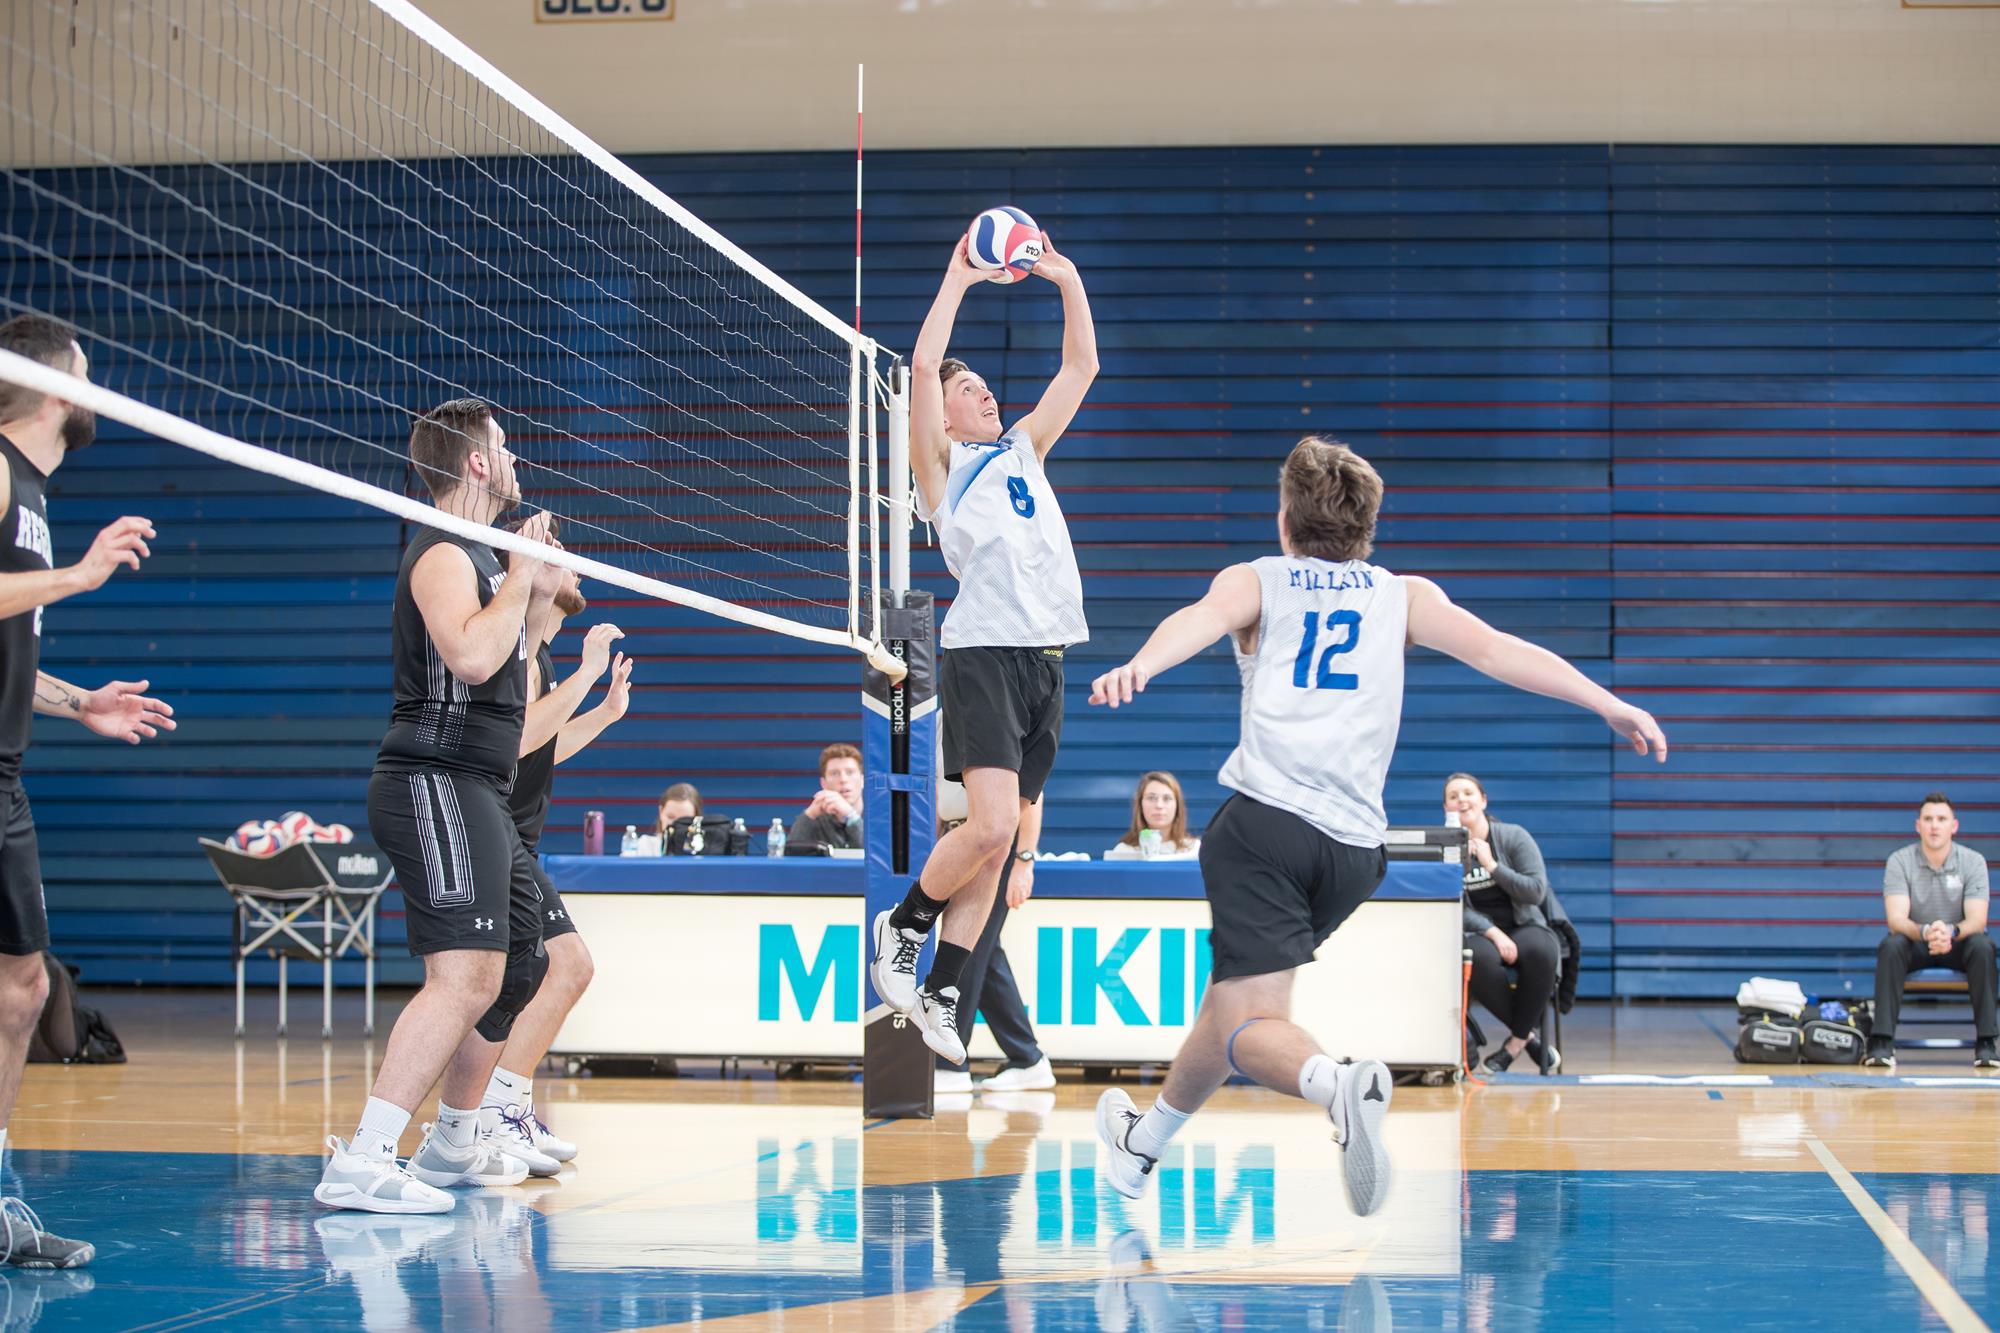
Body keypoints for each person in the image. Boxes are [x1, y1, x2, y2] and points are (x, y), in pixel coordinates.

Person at [1086, 436, 1667, 1217]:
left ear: (1286, 519)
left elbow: (1200, 617)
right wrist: (1607, 700)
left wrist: (1144, 664)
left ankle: (1336, 1083)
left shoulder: (1260, 578)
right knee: (1229, 1005)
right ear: (1367, 527)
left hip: (1265, 829)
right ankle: (1142, 1145)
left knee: (1250, 1018)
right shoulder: (1404, 595)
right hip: (1358, 852)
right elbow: (1501, 652)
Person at [316, 397, 564, 1214]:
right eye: (505, 443)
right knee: (462, 976)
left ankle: (454, 1137)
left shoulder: (489, 557)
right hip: (433, 778)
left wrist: (533, 594)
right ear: (478, 464)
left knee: (520, 958)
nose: (517, 455)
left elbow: (507, 672)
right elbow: (466, 653)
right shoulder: (443, 551)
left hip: (479, 787)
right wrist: (522, 576)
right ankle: (366, 1154)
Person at [870, 227, 1098, 1067]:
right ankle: (904, 925)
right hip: (983, 654)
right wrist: (961, 276)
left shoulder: (1025, 448)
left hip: (1047, 658)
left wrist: (1066, 279)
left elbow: (1082, 370)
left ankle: (943, 987)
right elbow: (923, 367)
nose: (987, 396)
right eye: (975, 390)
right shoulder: (943, 467)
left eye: (988, 387)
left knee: (997, 844)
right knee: (992, 821)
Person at [0, 315, 175, 1266]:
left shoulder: (31, 492)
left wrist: (81, 703)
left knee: (23, 987)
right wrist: (78, 576)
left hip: (6, 768)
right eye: (88, 374)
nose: (98, 388)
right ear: (53, 386)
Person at [481, 521, 633, 1173]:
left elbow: (542, 743)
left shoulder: (537, 658)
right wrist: (588, 675)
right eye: (558, 554)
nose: (574, 567)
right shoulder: (515, 651)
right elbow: (515, 740)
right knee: (564, 966)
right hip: (494, 829)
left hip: (518, 834)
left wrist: (601, 711)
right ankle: (492, 1112)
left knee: (538, 973)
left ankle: (500, 1108)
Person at [1864, 792, 1994, 1071]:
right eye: (1928, 819)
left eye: (1941, 819)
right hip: (1918, 942)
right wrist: (1925, 932)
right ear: (1918, 825)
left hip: (1958, 942)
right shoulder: (1900, 861)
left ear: (1954, 826)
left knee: (1983, 946)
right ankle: (1882, 1043)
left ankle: (1987, 1043)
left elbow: (1977, 919)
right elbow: (1896, 919)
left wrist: (1950, 930)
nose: (1935, 825)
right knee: (1891, 945)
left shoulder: (1973, 862)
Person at [1446, 772, 1566, 1074]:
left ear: (1483, 800)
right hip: (1480, 931)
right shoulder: (1447, 848)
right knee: (1477, 959)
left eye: (1468, 793)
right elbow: (1452, 903)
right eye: (1453, 796)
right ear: (1447, 808)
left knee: (1542, 951)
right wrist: (1493, 932)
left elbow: (1536, 890)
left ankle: (1514, 1044)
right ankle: (1528, 1038)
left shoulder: (1513, 836)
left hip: (1525, 923)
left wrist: (1492, 865)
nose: (1461, 799)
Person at [935, 796, 1054, 1095]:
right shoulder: (937, 747)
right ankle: (1027, 1059)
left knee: (967, 944)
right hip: (959, 838)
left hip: (994, 841)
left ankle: (950, 1063)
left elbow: (1032, 793)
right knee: (983, 952)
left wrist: (1024, 860)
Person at [1104, 771, 1201, 860]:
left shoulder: (1194, 850)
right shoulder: (1123, 852)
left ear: (1178, 806)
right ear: (1140, 805)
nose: (1159, 805)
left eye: (1167, 798)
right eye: (1151, 798)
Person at [789, 743, 864, 851]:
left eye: (850, 772)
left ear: (862, 780)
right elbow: (790, 856)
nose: (843, 779)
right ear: (823, 784)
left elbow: (879, 858)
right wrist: (808, 815)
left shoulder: (879, 817)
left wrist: (851, 816)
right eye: (834, 773)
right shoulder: (816, 820)